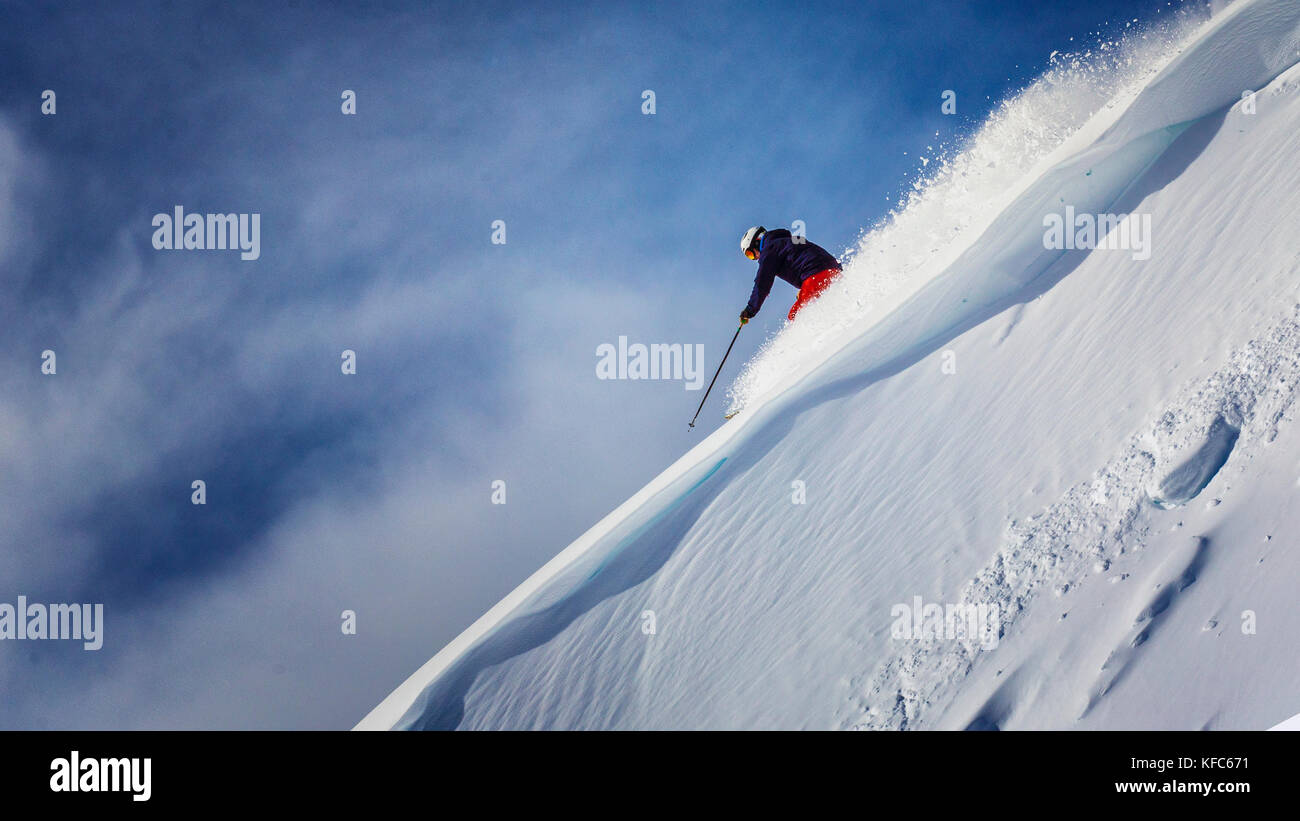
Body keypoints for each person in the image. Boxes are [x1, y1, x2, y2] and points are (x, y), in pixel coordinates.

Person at [738, 226, 842, 324]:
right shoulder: (786, 241)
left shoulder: (769, 249)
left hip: (815, 275)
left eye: (750, 254)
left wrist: (750, 309)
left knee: (796, 315)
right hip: (833, 270)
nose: (755, 258)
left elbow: (762, 281)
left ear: (757, 242)